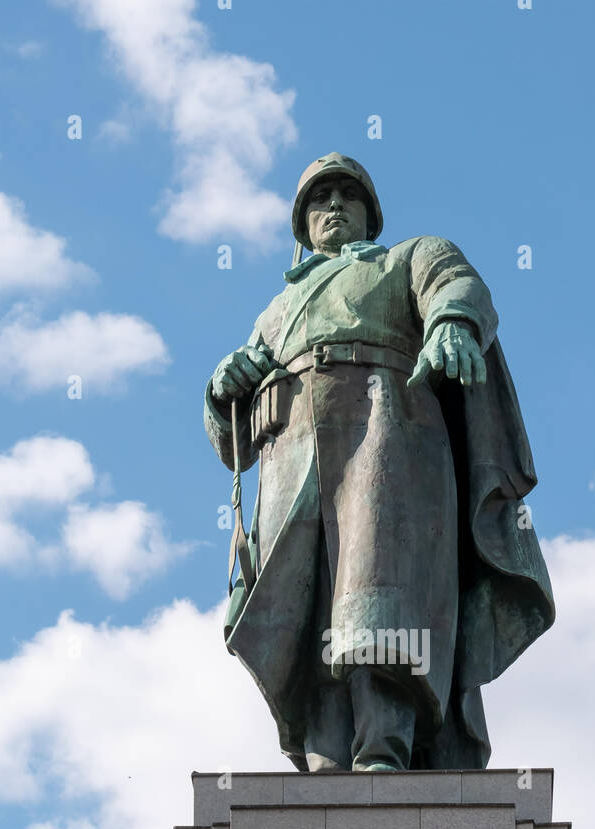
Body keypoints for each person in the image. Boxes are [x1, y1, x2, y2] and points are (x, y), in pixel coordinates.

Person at [205, 152, 554, 771]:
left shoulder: (407, 256)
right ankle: (326, 758)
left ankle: (383, 746)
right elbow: (230, 441)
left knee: (379, 590)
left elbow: (457, 283)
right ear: (302, 225)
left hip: (386, 427)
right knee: (307, 604)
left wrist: (451, 322)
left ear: (370, 214)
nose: (333, 205)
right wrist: (223, 391)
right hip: (291, 453)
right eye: (319, 198)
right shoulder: (274, 313)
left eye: (347, 194)